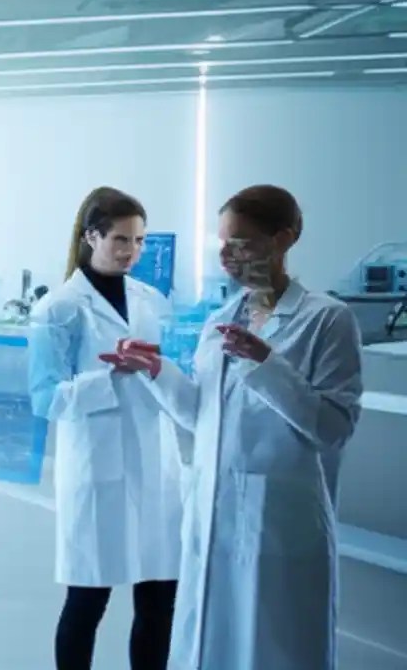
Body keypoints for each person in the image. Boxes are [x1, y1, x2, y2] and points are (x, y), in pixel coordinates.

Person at [104, 184, 363, 670]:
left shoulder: (327, 320)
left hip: (278, 519)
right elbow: (199, 416)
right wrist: (156, 371)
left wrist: (266, 363)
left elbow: (333, 427)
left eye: (240, 244)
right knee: (211, 643)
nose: (226, 256)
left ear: (283, 239)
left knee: (275, 646)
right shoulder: (221, 321)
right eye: (222, 243)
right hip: (213, 513)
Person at [27, 187, 183, 670]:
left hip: (156, 462)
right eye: (120, 239)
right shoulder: (58, 308)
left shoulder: (153, 301)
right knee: (87, 600)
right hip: (97, 466)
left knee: (159, 598)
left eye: (139, 241)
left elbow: (171, 373)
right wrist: (110, 377)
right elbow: (45, 398)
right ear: (91, 235)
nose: (131, 251)